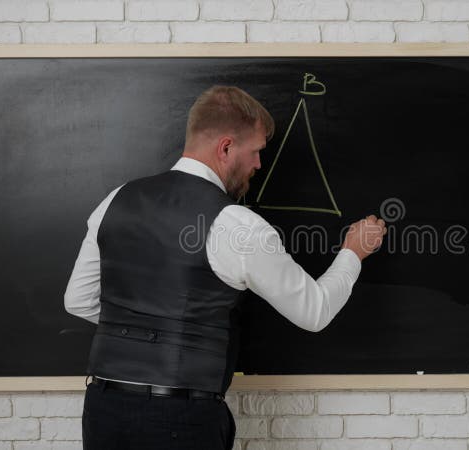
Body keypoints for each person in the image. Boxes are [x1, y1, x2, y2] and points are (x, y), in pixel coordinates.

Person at [63, 85, 387, 450]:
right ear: (226, 148)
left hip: (104, 410)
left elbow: (78, 300)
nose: (259, 165)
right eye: (256, 152)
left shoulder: (116, 199)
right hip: (180, 418)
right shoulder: (237, 225)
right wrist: (353, 252)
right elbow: (314, 311)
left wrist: (143, 330)